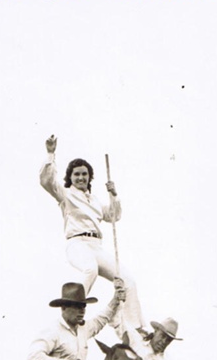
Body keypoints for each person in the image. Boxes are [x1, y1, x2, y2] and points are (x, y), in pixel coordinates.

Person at [39, 134, 146, 338]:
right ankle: (73, 312)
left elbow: (114, 216)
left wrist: (114, 195)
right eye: (77, 174)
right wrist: (50, 154)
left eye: (85, 174)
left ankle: (133, 328)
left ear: (90, 178)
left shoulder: (95, 200)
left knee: (128, 280)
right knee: (91, 269)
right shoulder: (66, 194)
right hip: (77, 243)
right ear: (70, 177)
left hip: (96, 245)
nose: (81, 178)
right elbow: (47, 182)